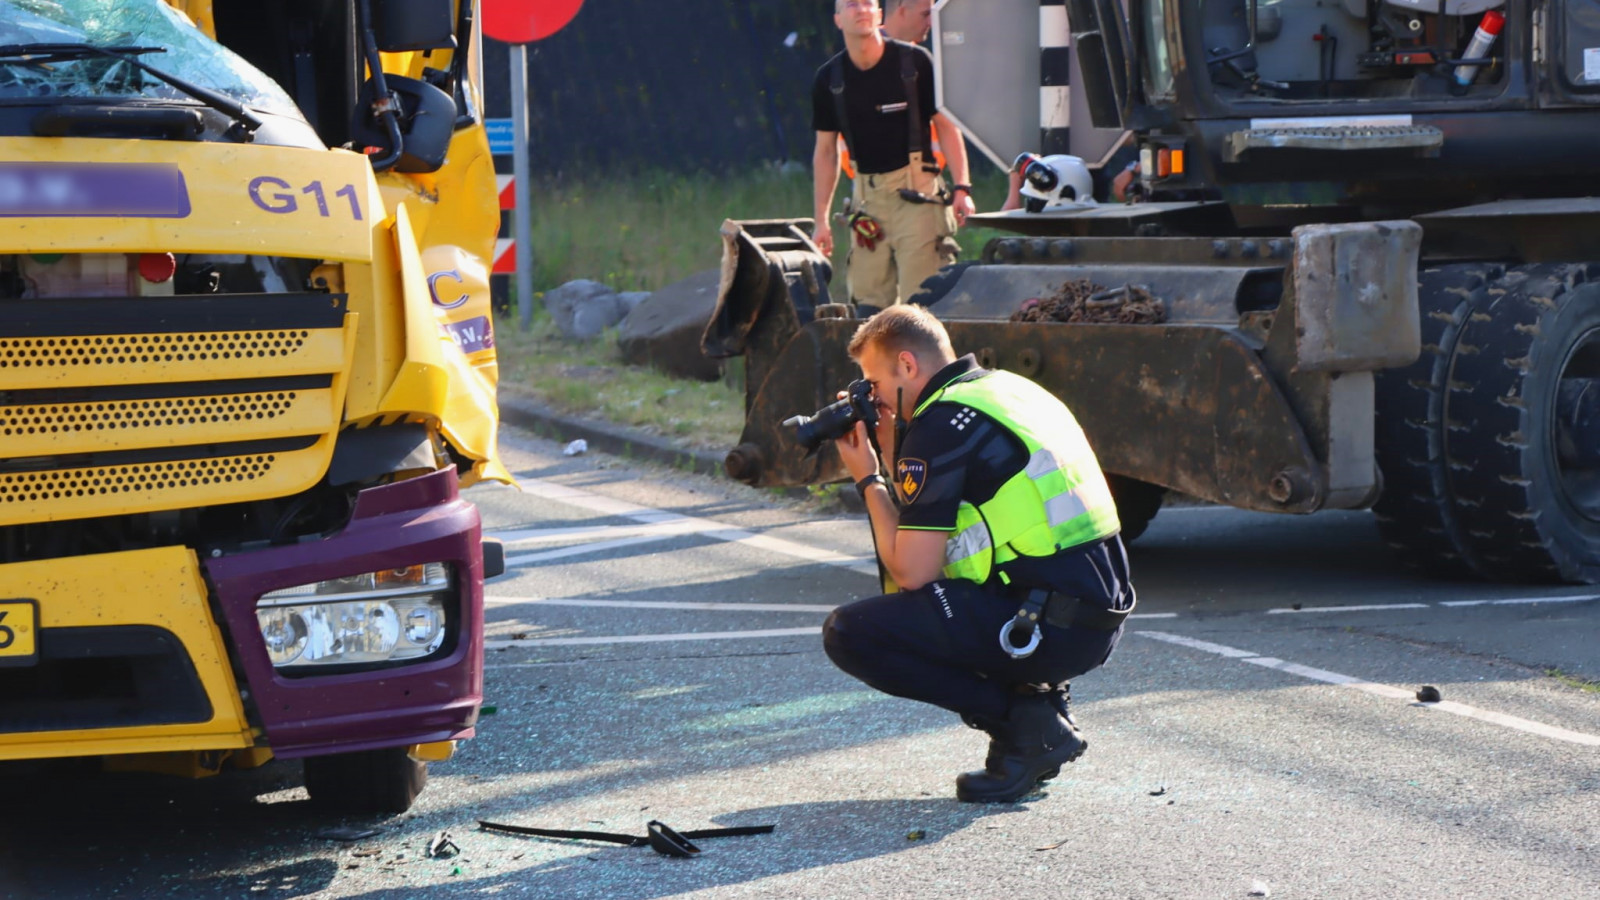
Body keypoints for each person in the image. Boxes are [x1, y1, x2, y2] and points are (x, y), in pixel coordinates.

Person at [821, 304, 1136, 804]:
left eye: (872, 384)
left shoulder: (940, 425)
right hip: (1089, 615)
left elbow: (912, 572)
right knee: (952, 599)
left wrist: (867, 475)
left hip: (1048, 627)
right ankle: (1037, 704)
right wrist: (888, 441)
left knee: (852, 633)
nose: (872, 399)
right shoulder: (1005, 390)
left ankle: (1029, 726)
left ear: (907, 365)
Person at [812, 0, 975, 313]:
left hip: (919, 197)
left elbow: (947, 128)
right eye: (850, 4)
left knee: (926, 308)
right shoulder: (829, 80)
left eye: (867, 3)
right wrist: (821, 221)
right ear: (838, 19)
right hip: (868, 204)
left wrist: (962, 189)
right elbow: (825, 152)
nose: (860, 9)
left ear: (878, 14)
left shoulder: (914, 63)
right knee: (869, 315)